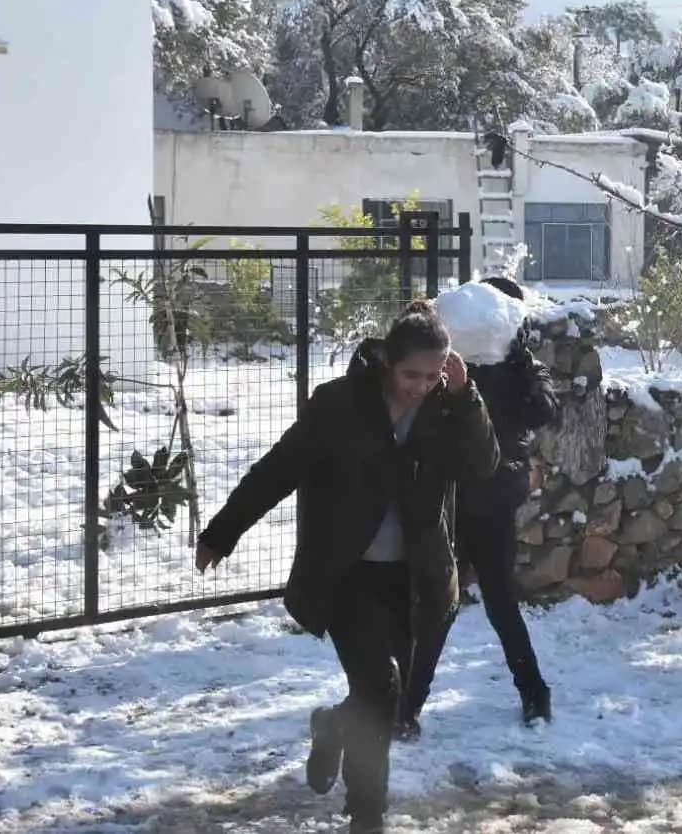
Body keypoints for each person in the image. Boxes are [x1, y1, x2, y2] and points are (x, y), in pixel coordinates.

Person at [195, 302, 500, 834]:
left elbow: (482, 465)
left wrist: (465, 396)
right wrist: (224, 531)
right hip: (345, 574)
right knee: (380, 688)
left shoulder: (447, 408)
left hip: (412, 578)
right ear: (388, 363)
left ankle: (333, 726)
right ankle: (367, 814)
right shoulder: (339, 405)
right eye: (411, 375)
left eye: (433, 376)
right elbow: (279, 468)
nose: (421, 386)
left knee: (380, 699)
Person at [398, 277, 560, 736]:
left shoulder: (519, 367)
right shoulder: (448, 365)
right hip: (449, 500)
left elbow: (542, 410)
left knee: (499, 601)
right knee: (438, 604)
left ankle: (534, 693)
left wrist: (515, 362)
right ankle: (408, 706)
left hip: (493, 503)